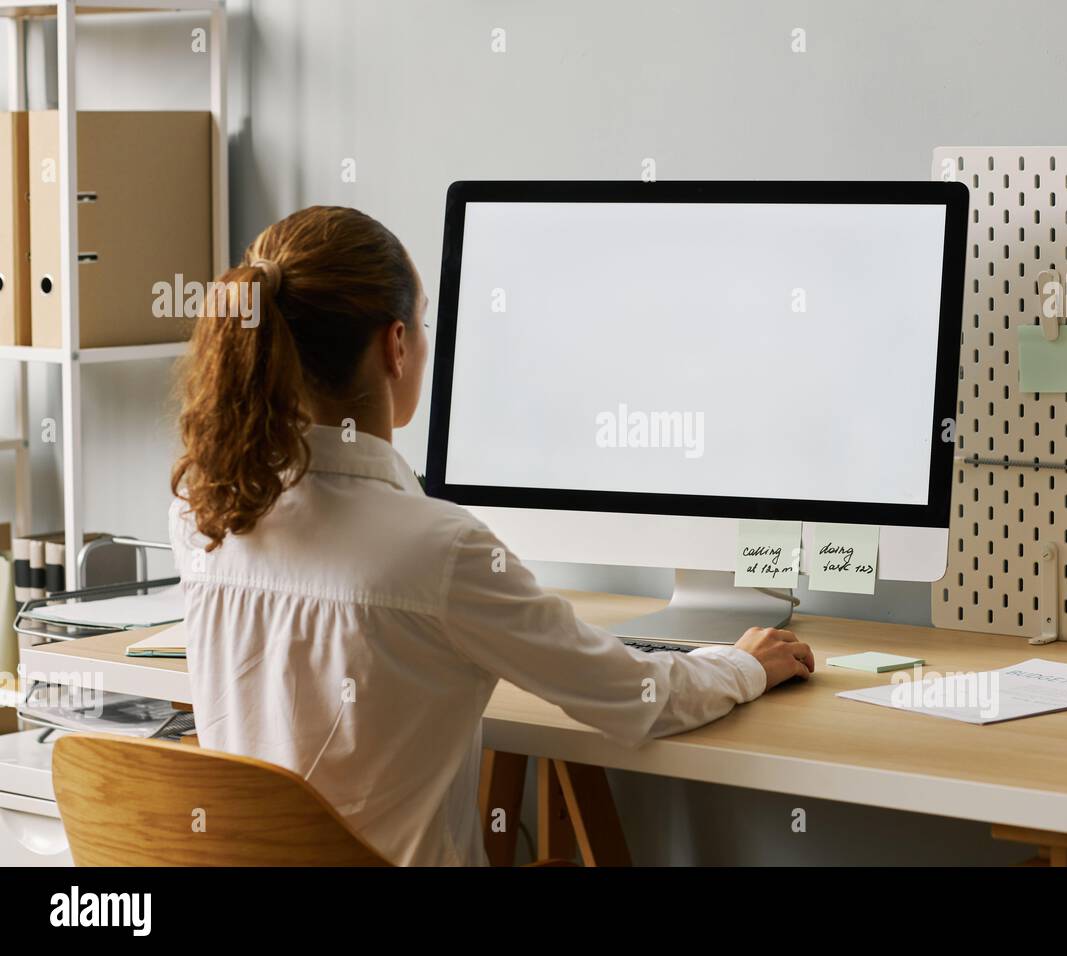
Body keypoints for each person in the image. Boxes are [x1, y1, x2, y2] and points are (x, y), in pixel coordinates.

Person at [169, 205, 814, 866]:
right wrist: (743, 666)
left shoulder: (203, 513)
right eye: (422, 324)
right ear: (396, 346)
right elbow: (636, 701)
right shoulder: (436, 549)